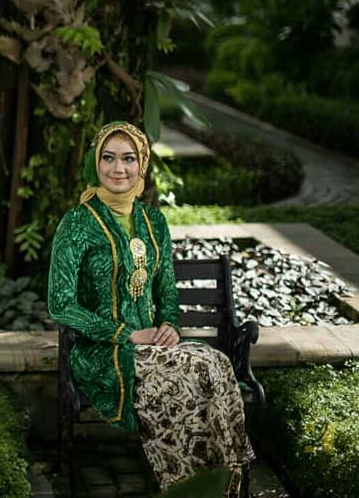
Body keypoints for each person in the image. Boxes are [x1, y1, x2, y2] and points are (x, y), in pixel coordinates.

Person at [48, 121, 254, 496]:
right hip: (105, 353)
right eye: (108, 158)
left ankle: (229, 483)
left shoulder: (152, 220)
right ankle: (189, 487)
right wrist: (127, 334)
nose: (118, 169)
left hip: (156, 346)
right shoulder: (77, 222)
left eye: (128, 159)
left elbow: (165, 290)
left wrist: (171, 325)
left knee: (217, 364)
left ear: (141, 164)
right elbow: (60, 305)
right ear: (96, 163)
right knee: (189, 375)